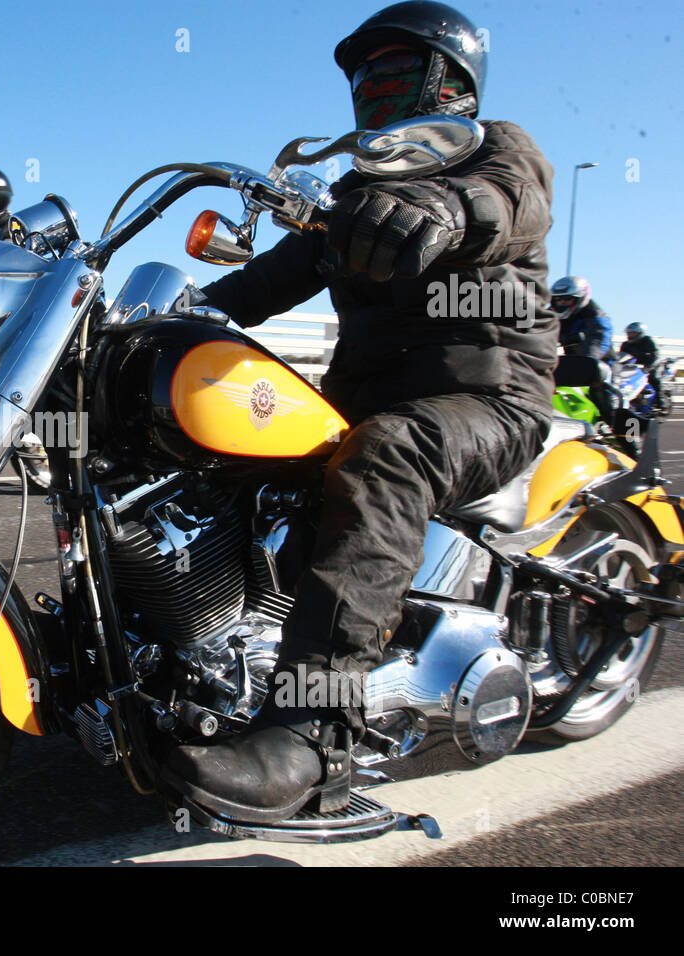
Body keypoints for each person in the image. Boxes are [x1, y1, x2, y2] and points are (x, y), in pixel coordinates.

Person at [164, 1, 558, 821]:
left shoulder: (497, 150)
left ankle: (315, 731)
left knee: (387, 453)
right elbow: (263, 284)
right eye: (363, 78)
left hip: (486, 396)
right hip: (365, 398)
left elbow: (509, 201)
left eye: (391, 72)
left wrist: (447, 209)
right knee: (221, 435)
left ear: (449, 82)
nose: (373, 90)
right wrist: (171, 311)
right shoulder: (352, 195)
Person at [552, 276, 618, 424]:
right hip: (572, 362)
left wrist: (589, 360)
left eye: (567, 299)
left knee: (604, 396)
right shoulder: (553, 312)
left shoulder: (596, 315)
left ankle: (626, 438)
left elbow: (599, 337)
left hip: (600, 363)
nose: (561, 303)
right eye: (558, 299)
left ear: (581, 298)